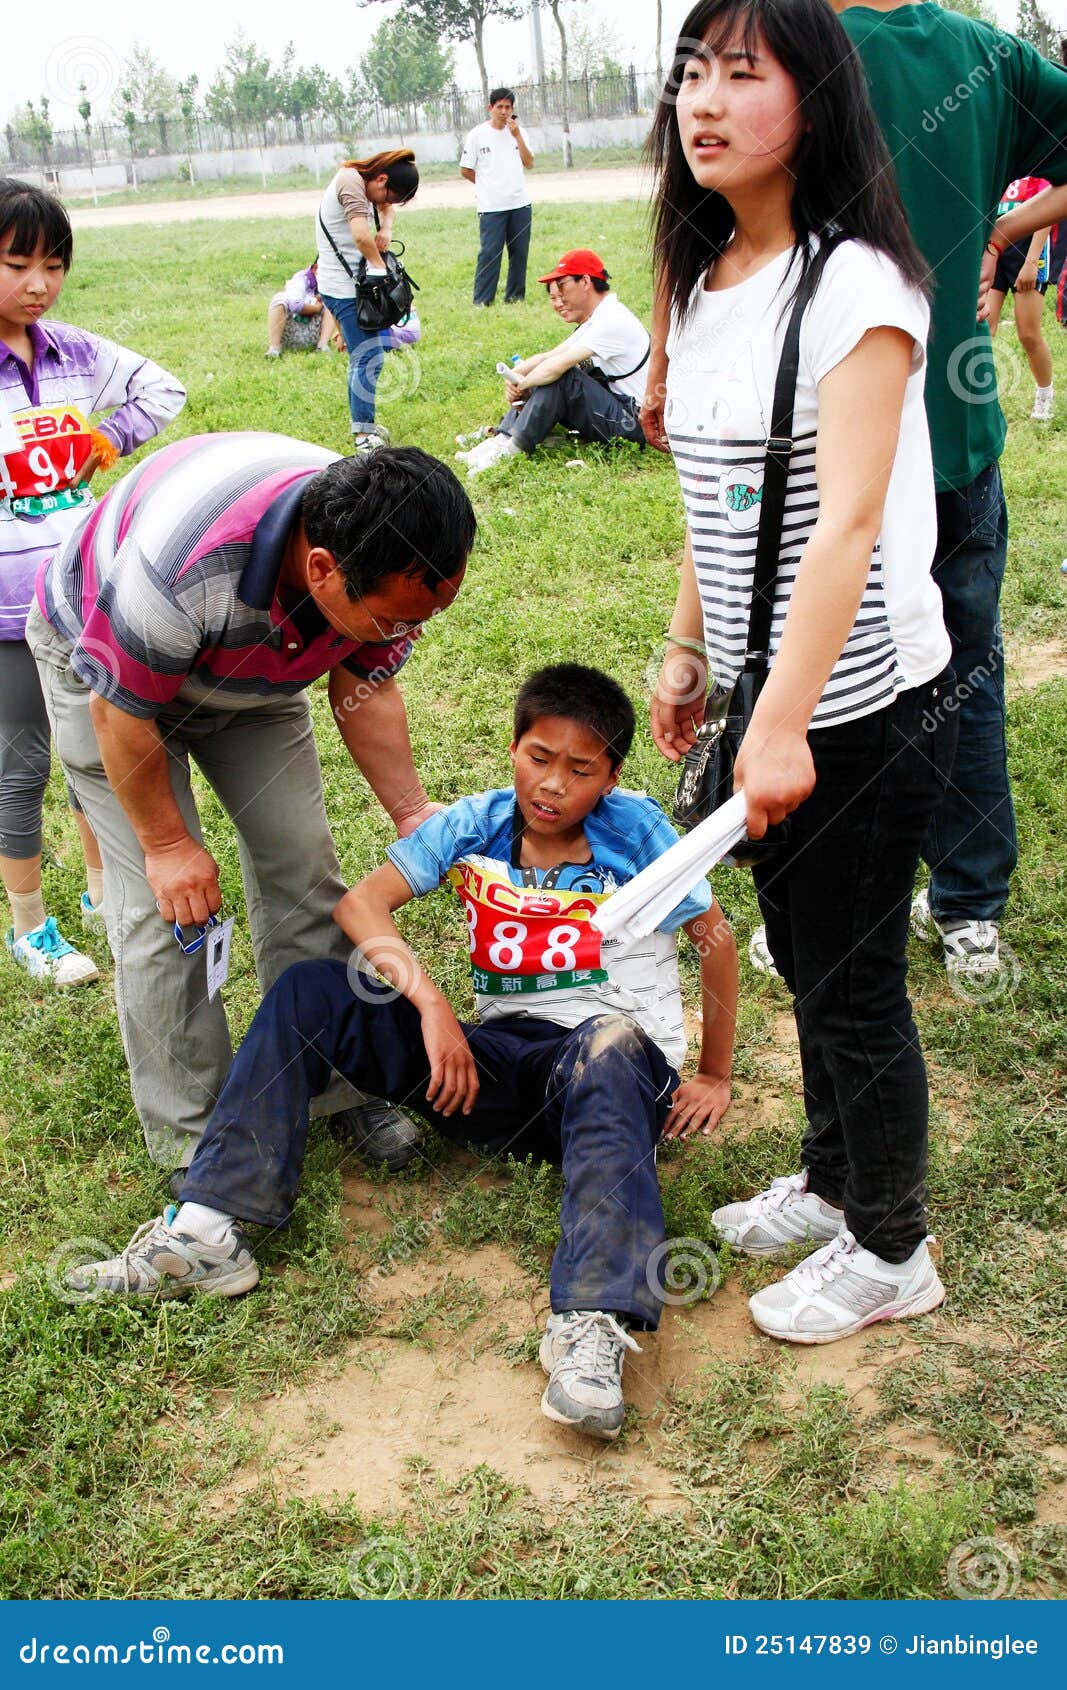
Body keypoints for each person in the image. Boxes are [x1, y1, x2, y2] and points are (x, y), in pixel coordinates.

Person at [65, 664, 738, 1443]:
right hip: (496, 1076)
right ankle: (209, 1229)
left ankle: (588, 1325)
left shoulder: (637, 832)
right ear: (513, 748)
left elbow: (713, 938)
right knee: (312, 990)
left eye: (580, 770)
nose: (551, 785)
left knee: (610, 1045)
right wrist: (429, 1003)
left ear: (612, 776)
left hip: (608, 1078)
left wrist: (714, 1074)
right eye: (537, 757)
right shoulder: (480, 822)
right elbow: (361, 902)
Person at [645, 1, 1067, 984]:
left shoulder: (790, 44)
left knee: (830, 680)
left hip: (822, 455)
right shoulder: (978, 54)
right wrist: (997, 231)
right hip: (950, 442)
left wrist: (669, 357)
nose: (711, 94)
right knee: (957, 671)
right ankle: (961, 903)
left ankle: (824, 900)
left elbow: (695, 216)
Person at [649, 0, 957, 1344]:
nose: (703, 103)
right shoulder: (701, 276)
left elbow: (842, 521)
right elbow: (711, 504)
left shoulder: (857, 284)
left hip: (864, 705)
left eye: (739, 74)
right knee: (803, 952)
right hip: (767, 695)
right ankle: (834, 1182)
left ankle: (891, 1245)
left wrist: (776, 726)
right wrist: (687, 653)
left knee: (850, 975)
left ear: (813, 102)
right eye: (689, 75)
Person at [28, 439, 475, 1180]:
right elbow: (120, 715)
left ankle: (332, 1082)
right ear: (322, 569)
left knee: (302, 867)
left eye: (425, 616)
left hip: (249, 680)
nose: (410, 634)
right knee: (162, 911)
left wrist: (411, 813)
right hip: (109, 678)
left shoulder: (383, 545)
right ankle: (198, 1145)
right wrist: (168, 844)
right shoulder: (180, 570)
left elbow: (365, 687)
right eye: (397, 622)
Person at [0, 180, 184, 988]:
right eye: (16, 264)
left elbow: (163, 390)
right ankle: (29, 926)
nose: (38, 284)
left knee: (93, 749)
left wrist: (104, 441)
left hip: (80, 598)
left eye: (53, 265)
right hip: (8, 613)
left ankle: (103, 890)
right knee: (22, 764)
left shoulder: (75, 353)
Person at [455, 250, 649, 476]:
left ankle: (509, 450)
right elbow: (549, 356)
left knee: (562, 376)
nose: (558, 297)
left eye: (562, 284)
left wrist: (523, 383)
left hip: (634, 424)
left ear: (585, 281)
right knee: (549, 372)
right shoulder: (599, 317)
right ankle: (502, 438)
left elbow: (556, 366)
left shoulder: (612, 320)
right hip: (618, 411)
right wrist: (516, 375)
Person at [314, 150, 419, 452]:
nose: (387, 203)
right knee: (367, 359)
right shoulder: (351, 182)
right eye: (390, 194)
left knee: (368, 353)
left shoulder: (366, 181)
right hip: (345, 289)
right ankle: (363, 437)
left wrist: (386, 229)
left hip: (352, 286)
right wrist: (379, 266)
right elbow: (361, 237)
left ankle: (366, 426)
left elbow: (387, 208)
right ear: (382, 178)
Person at [985, 178, 1055, 422]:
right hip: (997, 246)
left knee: (1028, 333)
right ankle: (982, 399)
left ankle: (1045, 394)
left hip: (1027, 249)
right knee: (983, 328)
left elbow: (1048, 211)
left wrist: (1031, 261)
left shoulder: (1036, 162)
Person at [460, 87, 534, 307]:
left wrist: (517, 136)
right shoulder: (477, 135)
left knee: (519, 253)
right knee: (490, 253)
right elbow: (465, 169)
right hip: (491, 206)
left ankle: (515, 297)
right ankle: (482, 300)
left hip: (520, 204)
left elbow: (529, 163)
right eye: (499, 107)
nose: (503, 111)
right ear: (490, 108)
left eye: (508, 107)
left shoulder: (519, 132)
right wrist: (486, 186)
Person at [265, 260, 338, 356]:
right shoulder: (300, 279)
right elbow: (296, 305)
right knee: (278, 299)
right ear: (315, 269)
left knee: (333, 300)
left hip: (314, 334)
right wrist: (316, 308)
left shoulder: (331, 285)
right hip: (290, 332)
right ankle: (274, 348)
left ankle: (322, 346)